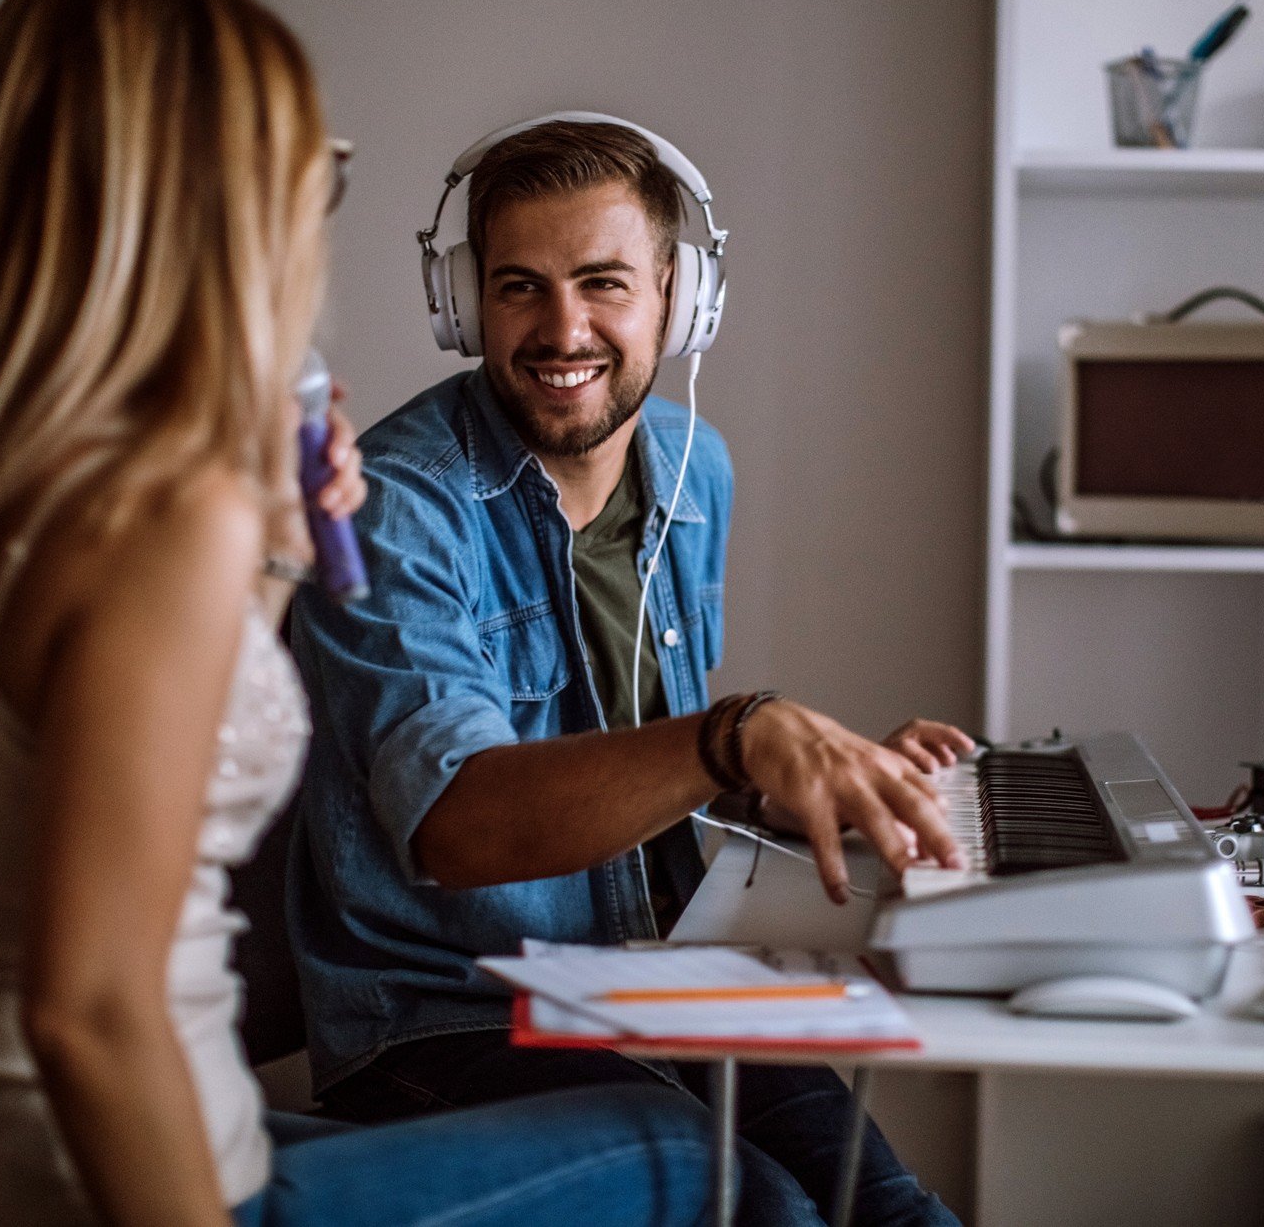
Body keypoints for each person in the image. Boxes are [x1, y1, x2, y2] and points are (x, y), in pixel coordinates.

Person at [0, 0, 729, 1227]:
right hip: (101, 1177)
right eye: (309, 167)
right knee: (685, 1153)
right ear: (212, 195)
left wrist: (280, 551)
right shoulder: (163, 513)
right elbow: (90, 1011)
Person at [286, 114, 969, 1225]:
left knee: (895, 1212)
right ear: (465, 302)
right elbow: (458, 824)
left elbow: (652, 766)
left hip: (654, 980)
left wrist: (813, 778)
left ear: (680, 295)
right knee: (776, 1214)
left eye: (603, 282)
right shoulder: (395, 506)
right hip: (449, 1017)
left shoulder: (699, 469)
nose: (563, 329)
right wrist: (729, 735)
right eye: (519, 288)